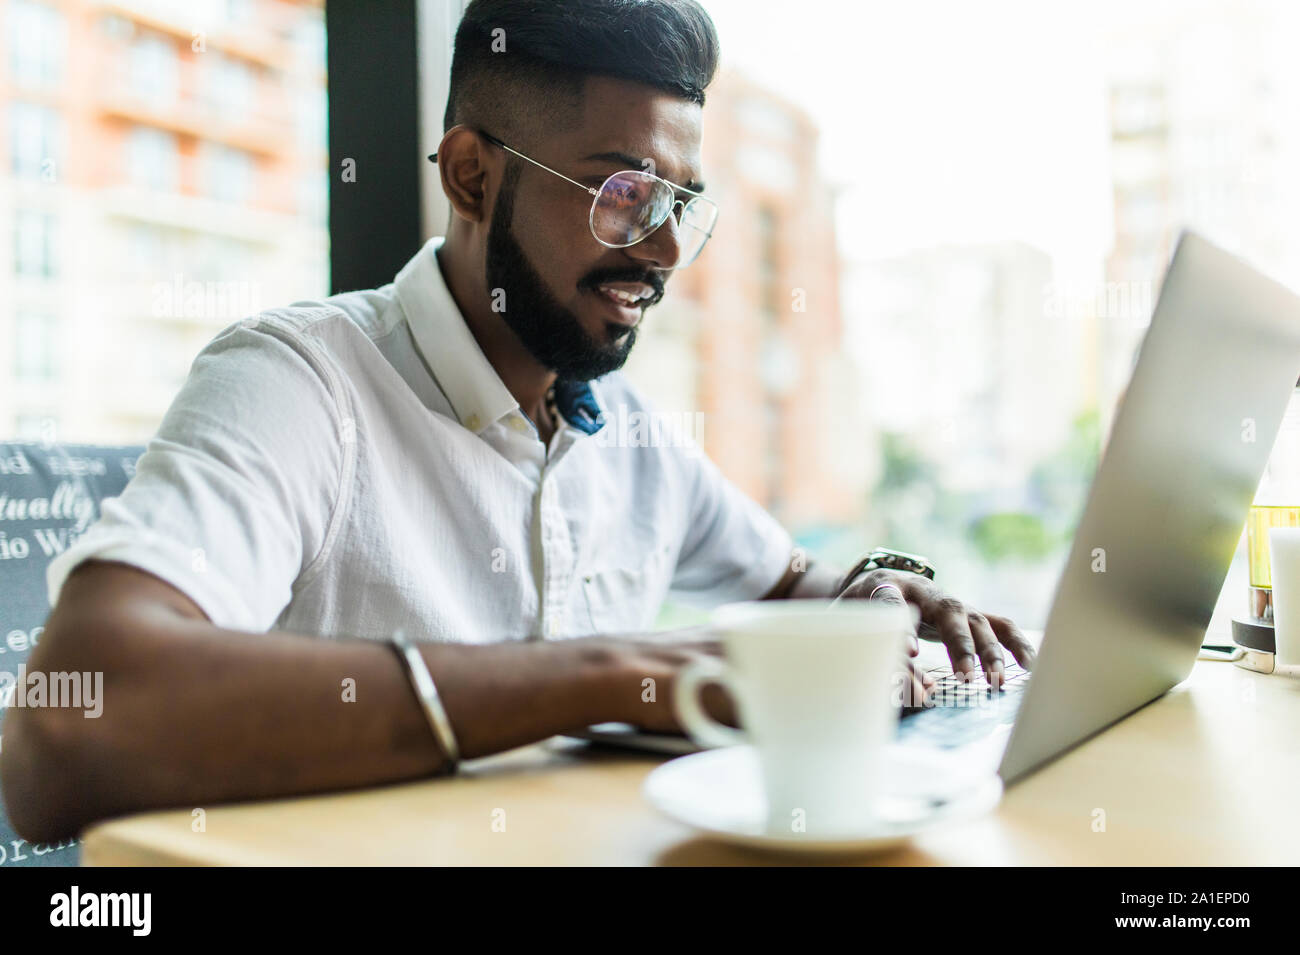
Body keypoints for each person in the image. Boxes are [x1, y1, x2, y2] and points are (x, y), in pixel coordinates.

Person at [0, 0, 1033, 844]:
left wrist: (877, 590)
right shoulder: (299, 381)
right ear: (470, 175)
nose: (667, 249)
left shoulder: (622, 427)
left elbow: (790, 588)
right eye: (622, 191)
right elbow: (61, 732)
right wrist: (608, 673)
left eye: (682, 200)